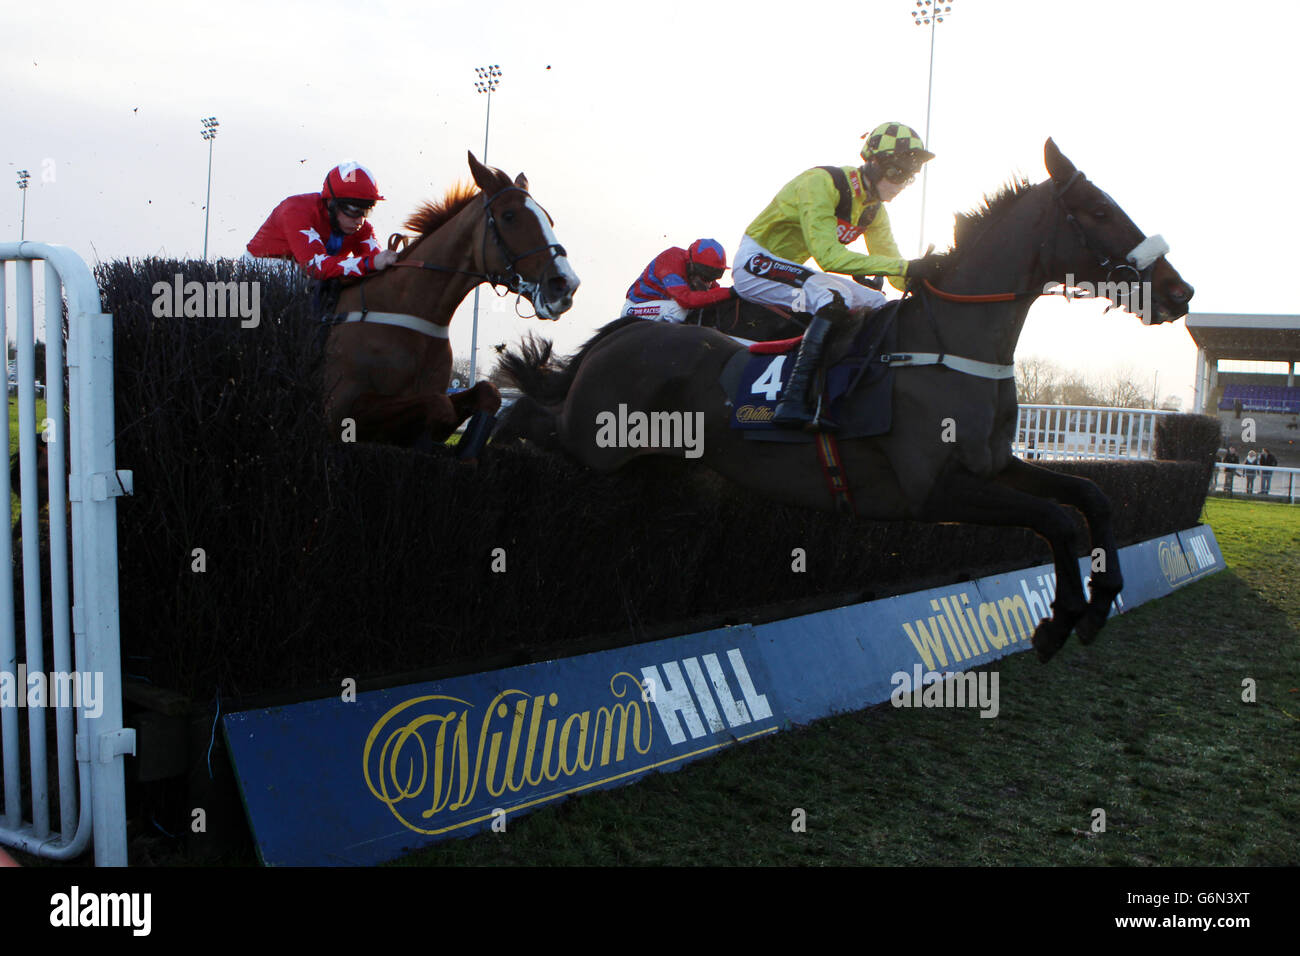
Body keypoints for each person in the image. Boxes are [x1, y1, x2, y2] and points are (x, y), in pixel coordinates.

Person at [733, 123, 943, 429]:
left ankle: (850, 390)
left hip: (789, 272)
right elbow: (829, 257)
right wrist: (906, 268)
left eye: (909, 178)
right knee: (832, 296)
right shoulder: (821, 182)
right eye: (898, 173)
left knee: (877, 301)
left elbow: (895, 269)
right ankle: (793, 402)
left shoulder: (873, 211)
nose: (901, 185)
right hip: (754, 263)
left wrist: (928, 278)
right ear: (873, 163)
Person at [247, 162, 399, 283]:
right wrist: (368, 263)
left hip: (306, 273)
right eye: (354, 210)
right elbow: (315, 267)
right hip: (262, 268)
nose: (360, 220)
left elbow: (377, 263)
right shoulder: (296, 211)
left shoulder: (361, 227)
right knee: (301, 279)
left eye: (366, 211)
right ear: (332, 204)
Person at [622, 239, 734, 323]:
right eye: (706, 273)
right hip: (635, 308)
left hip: (661, 307)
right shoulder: (670, 260)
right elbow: (686, 300)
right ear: (691, 263)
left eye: (715, 274)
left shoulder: (698, 271)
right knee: (678, 310)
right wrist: (731, 292)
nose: (709, 281)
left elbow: (715, 294)